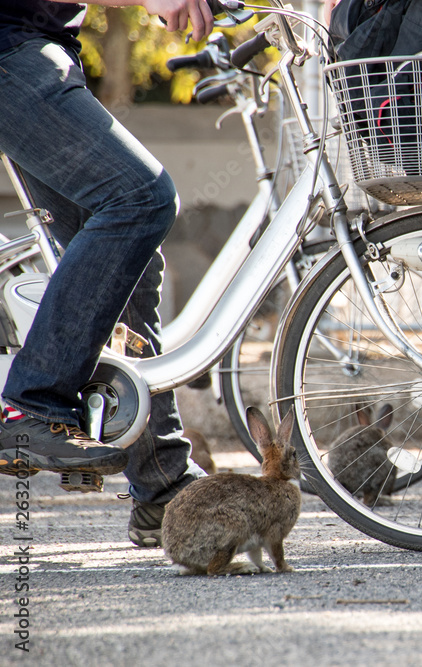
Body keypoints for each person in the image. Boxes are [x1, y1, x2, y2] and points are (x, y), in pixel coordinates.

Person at [0, 0, 215, 547]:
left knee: (128, 256)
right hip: (9, 48)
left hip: (38, 47)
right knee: (140, 196)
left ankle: (162, 490)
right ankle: (31, 400)